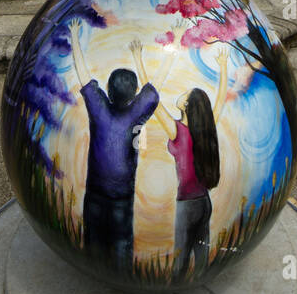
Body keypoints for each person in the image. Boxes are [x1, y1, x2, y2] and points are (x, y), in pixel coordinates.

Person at [130, 39, 228, 280]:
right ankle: (200, 284)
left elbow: (152, 100)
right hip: (204, 202)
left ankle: (174, 291)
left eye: (185, 95)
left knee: (181, 258)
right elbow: (219, 101)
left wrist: (138, 60)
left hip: (187, 205)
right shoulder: (204, 128)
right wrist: (224, 67)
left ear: (186, 105)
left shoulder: (177, 131)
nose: (182, 95)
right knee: (201, 252)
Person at [68, 18, 158, 274]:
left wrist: (74, 37)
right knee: (121, 246)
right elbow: (153, 90)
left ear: (107, 89)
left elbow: (82, 74)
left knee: (94, 242)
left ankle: (95, 279)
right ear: (134, 95)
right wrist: (139, 57)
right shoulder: (135, 114)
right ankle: (121, 281)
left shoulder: (98, 108)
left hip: (95, 195)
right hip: (121, 198)